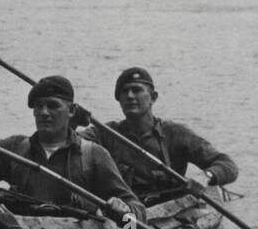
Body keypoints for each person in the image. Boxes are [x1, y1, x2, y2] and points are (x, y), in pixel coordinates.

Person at [0, 75, 146, 224]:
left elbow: (137, 214)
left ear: (71, 110)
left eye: (53, 105)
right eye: (38, 106)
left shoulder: (93, 156)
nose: (44, 113)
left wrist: (124, 211)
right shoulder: (16, 149)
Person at [86, 67, 238, 199]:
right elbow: (69, 141)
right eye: (124, 92)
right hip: (129, 216)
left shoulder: (176, 134)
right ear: (119, 100)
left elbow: (228, 165)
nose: (130, 96)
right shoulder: (105, 133)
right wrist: (71, 120)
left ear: (153, 97)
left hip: (172, 216)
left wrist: (206, 176)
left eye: (137, 90)